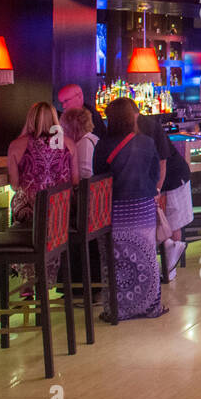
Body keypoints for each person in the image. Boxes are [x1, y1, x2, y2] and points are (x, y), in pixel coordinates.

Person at [93, 97, 167, 319]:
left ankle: (117, 310)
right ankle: (150, 305)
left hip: (113, 210)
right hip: (142, 207)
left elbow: (98, 177)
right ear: (132, 117)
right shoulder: (146, 142)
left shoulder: (103, 144)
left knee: (113, 259)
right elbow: (155, 174)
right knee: (146, 256)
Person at [7, 102, 79, 292]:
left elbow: (14, 184)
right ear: (55, 119)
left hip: (29, 216)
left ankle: (27, 280)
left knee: (18, 212)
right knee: (48, 224)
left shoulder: (16, 145)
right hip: (60, 214)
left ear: (30, 119)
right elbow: (75, 181)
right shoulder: (69, 144)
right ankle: (46, 279)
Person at [139, 111, 192, 282]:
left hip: (175, 176)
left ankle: (170, 269)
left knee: (173, 221)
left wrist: (157, 188)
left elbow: (162, 162)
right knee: (164, 222)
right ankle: (168, 261)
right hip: (161, 178)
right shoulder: (141, 128)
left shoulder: (149, 127)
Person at [59, 106, 97, 179]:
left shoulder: (85, 142)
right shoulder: (87, 138)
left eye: (63, 127)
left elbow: (84, 174)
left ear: (71, 126)